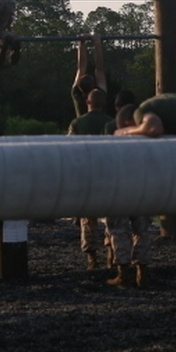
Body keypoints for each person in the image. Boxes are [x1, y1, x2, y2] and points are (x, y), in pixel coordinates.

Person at [104, 104, 156, 288]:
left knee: (119, 232)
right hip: (143, 191)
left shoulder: (116, 142)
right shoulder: (148, 143)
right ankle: (143, 273)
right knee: (142, 232)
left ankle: (123, 274)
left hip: (120, 192)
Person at [66, 88, 112, 270]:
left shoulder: (77, 123)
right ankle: (112, 255)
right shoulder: (112, 123)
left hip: (87, 177)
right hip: (108, 176)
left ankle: (92, 260)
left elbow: (69, 148)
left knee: (88, 221)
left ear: (88, 102)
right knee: (112, 219)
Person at [71, 34, 107, 117]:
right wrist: (97, 44)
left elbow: (81, 67)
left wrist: (81, 44)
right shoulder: (99, 94)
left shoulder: (77, 94)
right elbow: (99, 69)